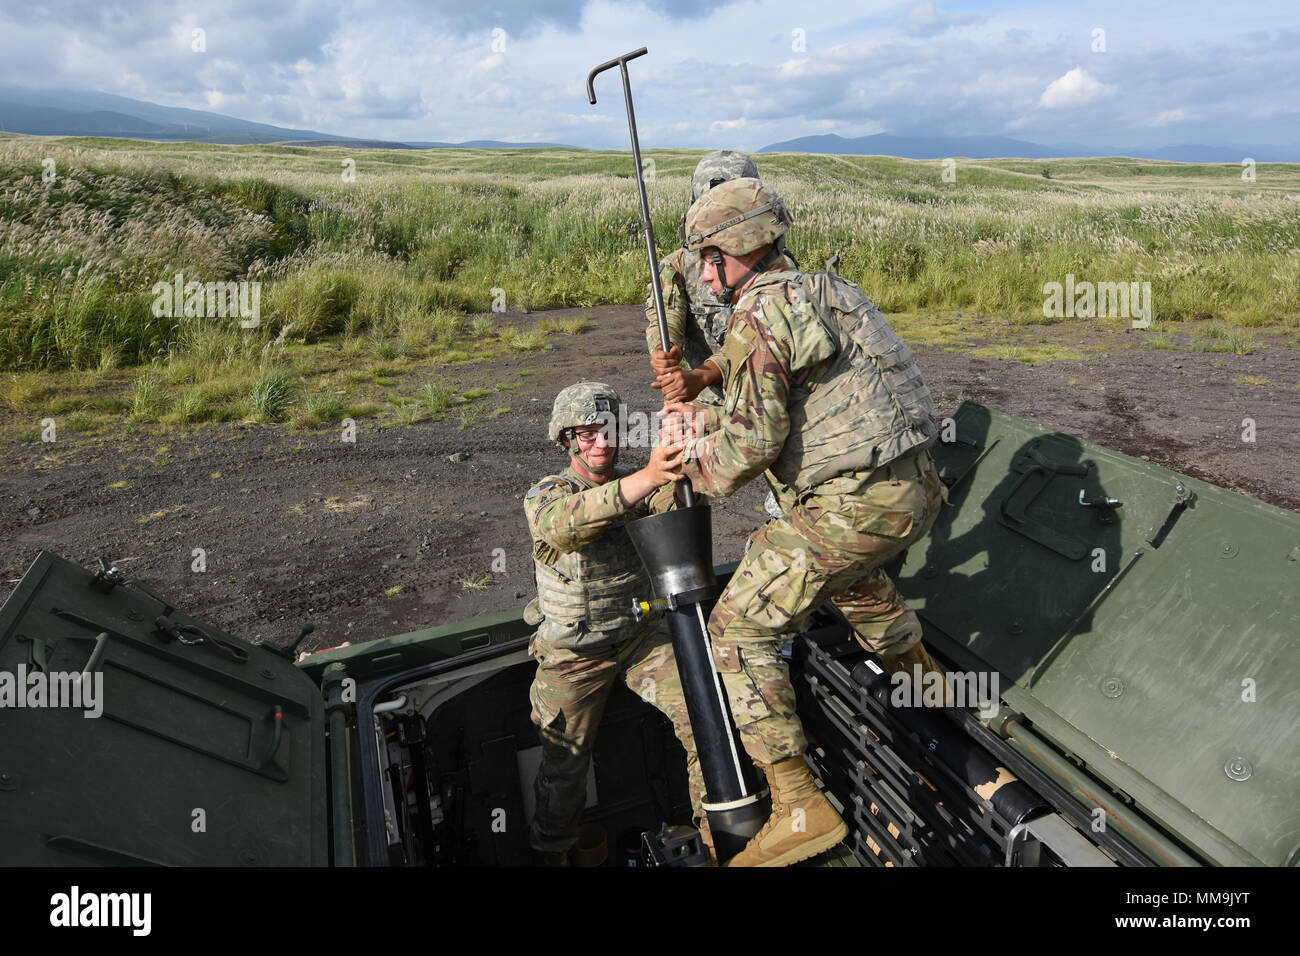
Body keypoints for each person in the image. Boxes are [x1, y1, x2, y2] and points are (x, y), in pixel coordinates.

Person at [659, 178, 947, 867]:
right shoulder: (826, 289)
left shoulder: (757, 314)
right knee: (853, 580)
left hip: (853, 505)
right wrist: (703, 391)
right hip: (913, 491)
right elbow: (786, 378)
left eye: (709, 261)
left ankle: (799, 805)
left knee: (737, 630)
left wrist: (684, 464)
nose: (705, 277)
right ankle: (936, 702)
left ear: (738, 249)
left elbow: (751, 448)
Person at [524, 381, 706, 862]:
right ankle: (553, 853)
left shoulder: (641, 484)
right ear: (567, 439)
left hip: (641, 639)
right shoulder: (549, 493)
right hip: (575, 655)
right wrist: (649, 476)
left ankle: (713, 834)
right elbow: (561, 526)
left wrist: (687, 465)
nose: (601, 442)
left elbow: (682, 513)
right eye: (588, 433)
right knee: (563, 769)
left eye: (610, 430)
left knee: (704, 715)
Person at [646, 149, 795, 518]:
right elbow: (664, 318)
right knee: (673, 475)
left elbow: (763, 339)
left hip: (766, 391)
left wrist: (701, 375)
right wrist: (665, 354)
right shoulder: (677, 266)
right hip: (707, 399)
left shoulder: (772, 265)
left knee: (789, 476)